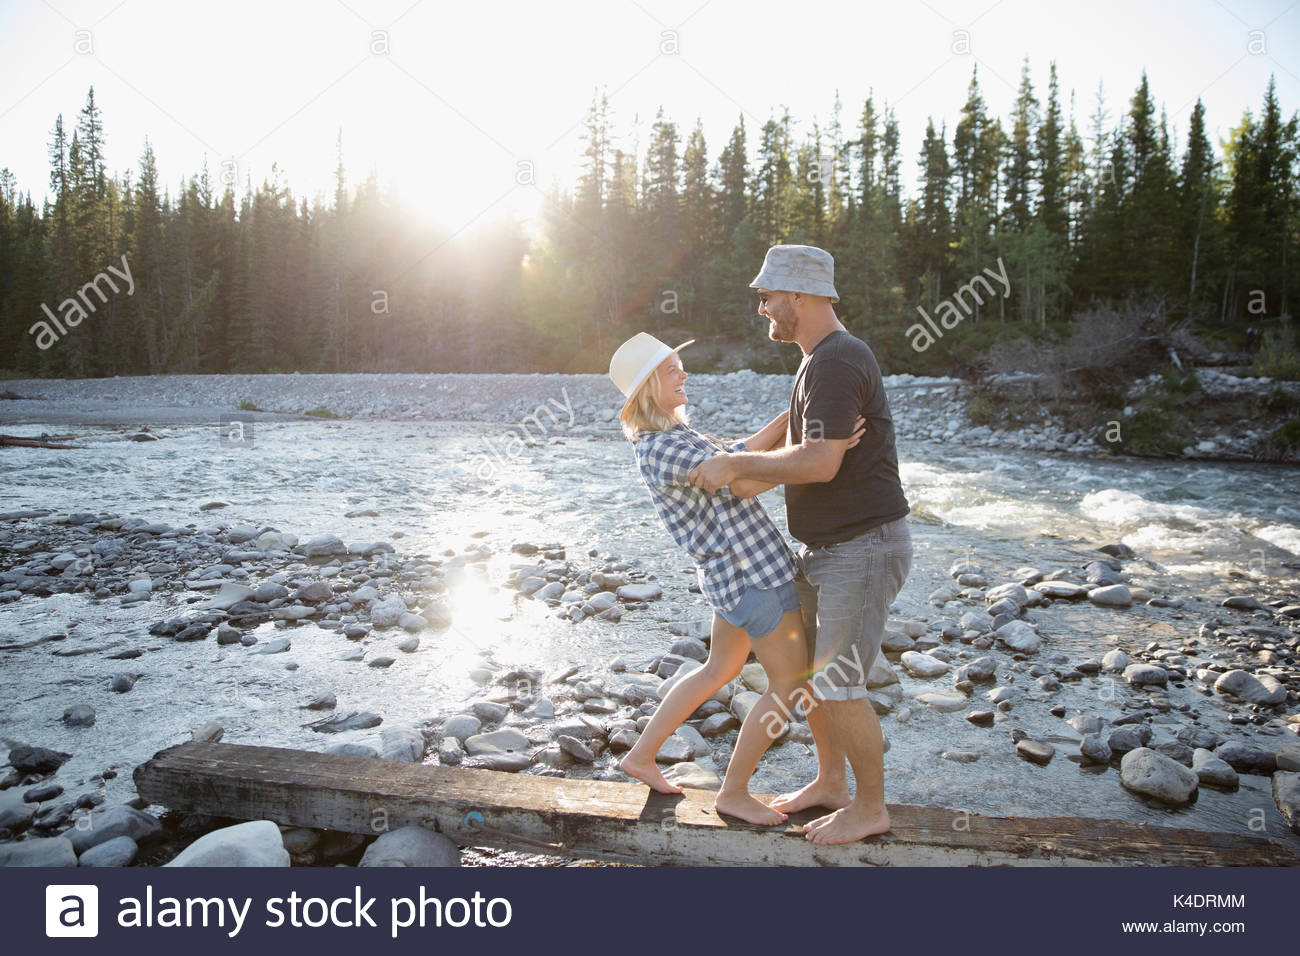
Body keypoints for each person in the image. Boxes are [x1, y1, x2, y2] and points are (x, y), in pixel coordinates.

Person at [688, 244, 913, 846]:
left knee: (838, 682)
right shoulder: (817, 363)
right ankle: (830, 783)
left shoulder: (838, 361)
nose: (761, 307)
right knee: (814, 677)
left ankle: (870, 808)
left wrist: (736, 463)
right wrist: (741, 471)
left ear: (800, 296)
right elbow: (787, 464)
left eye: (767, 296)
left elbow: (817, 464)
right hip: (829, 550)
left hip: (863, 547)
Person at [608, 331, 864, 826]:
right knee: (791, 686)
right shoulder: (662, 448)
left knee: (717, 671)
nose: (684, 374)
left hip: (734, 578)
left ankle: (640, 757)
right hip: (754, 577)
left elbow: (738, 453)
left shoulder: (674, 436)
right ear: (645, 389)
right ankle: (735, 791)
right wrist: (819, 455)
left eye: (680, 365)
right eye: (671, 369)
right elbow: (742, 481)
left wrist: (792, 420)